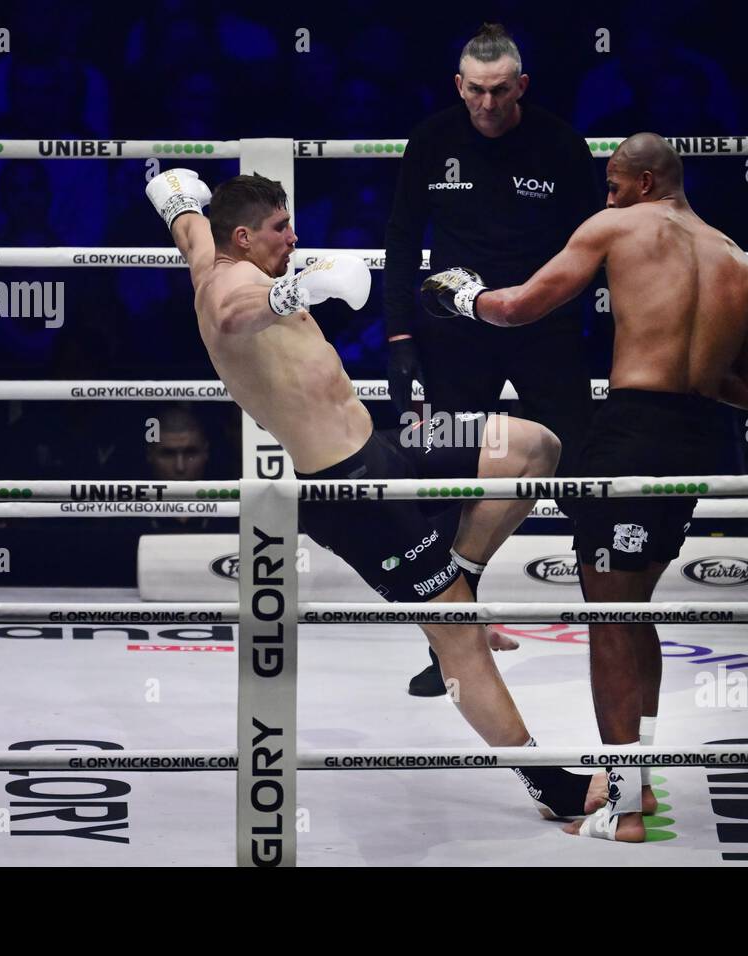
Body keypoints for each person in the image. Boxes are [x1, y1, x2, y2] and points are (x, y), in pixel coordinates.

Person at [145, 167, 590, 818]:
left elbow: (183, 217)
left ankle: (459, 573)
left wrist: (177, 195)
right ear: (242, 238)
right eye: (279, 229)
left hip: (386, 447)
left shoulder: (207, 249)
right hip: (350, 490)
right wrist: (294, 291)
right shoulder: (233, 286)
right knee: (460, 638)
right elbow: (231, 311)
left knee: (531, 448)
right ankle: (552, 786)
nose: (294, 238)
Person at [422, 133, 748, 840]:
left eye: (614, 184)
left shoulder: (617, 225)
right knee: (635, 605)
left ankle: (620, 806)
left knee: (610, 616)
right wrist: (696, 376)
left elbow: (521, 307)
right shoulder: (738, 259)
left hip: (633, 432)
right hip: (698, 436)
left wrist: (461, 297)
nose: (606, 196)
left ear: (645, 181)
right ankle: (637, 785)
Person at [385, 23, 598, 695]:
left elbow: (590, 250)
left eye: (499, 91)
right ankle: (446, 643)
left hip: (546, 326)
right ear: (459, 85)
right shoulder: (433, 138)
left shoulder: (561, 143)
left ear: (521, 86)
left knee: (565, 459)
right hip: (455, 330)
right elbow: (398, 241)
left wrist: (581, 328)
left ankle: (604, 619)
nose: (486, 104)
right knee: (451, 479)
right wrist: (397, 340)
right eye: (474, 91)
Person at [143, 403, 213, 531]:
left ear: (206, 452)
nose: (180, 467)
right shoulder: (126, 519)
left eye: (190, 453)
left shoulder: (235, 517)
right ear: (150, 455)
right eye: (168, 454)